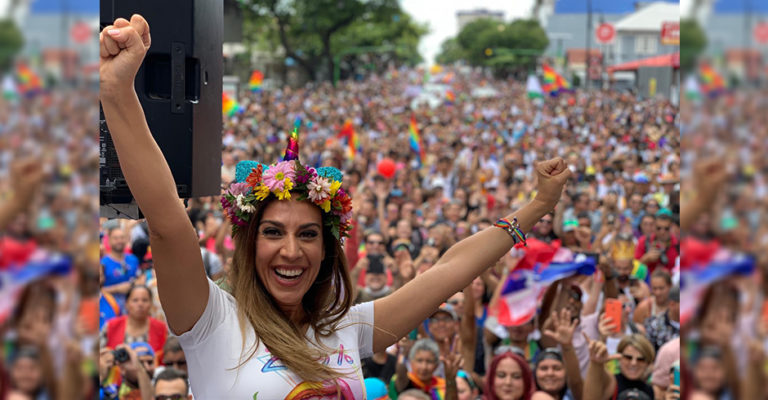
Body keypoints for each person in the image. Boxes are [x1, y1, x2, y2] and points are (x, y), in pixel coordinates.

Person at [99, 14, 571, 397]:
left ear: (327, 250)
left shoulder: (348, 328)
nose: (291, 250)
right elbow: (168, 222)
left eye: (308, 234)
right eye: (273, 232)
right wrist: (118, 92)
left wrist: (537, 206)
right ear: (248, 242)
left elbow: (450, 270)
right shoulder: (210, 320)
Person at [583, 333, 655, 400]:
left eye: (641, 359)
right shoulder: (611, 382)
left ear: (648, 363)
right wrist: (596, 364)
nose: (634, 363)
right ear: (619, 358)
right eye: (628, 357)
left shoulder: (650, 390)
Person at [100, 284, 168, 354]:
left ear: (151, 304)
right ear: (126, 304)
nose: (140, 304)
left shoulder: (161, 328)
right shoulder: (110, 326)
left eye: (145, 300)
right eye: (135, 300)